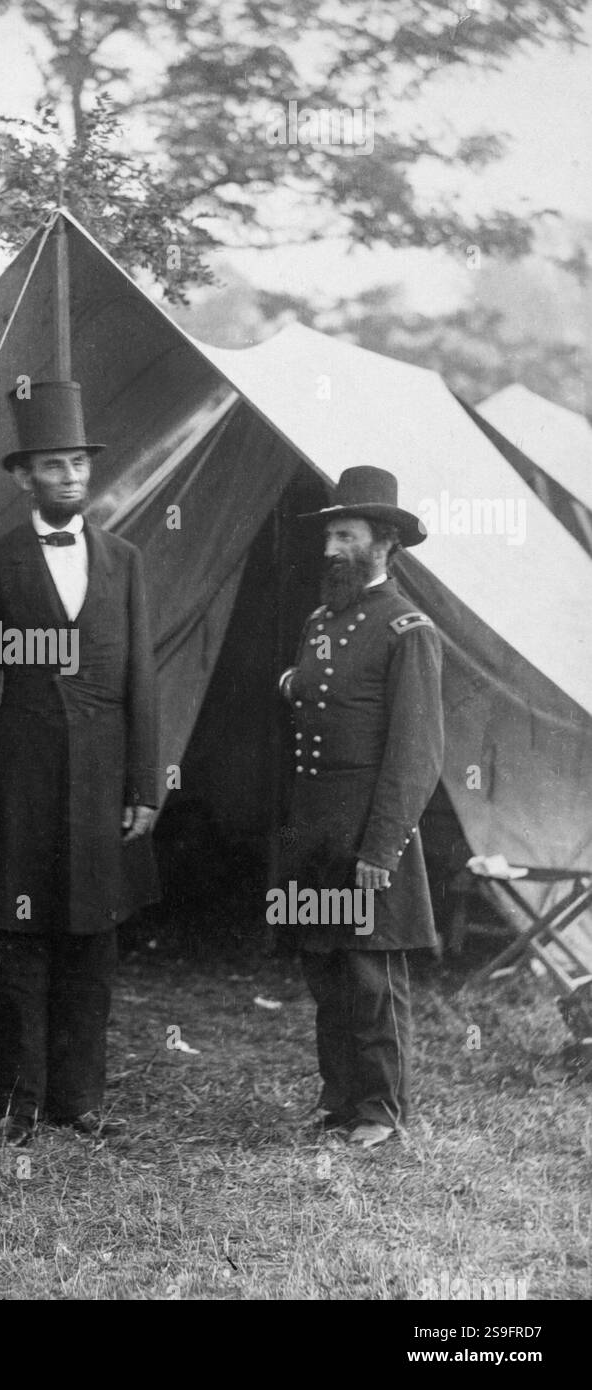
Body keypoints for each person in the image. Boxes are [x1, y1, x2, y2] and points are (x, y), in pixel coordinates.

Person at [0, 380, 159, 1147]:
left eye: (79, 463)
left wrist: (145, 784)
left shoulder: (127, 560)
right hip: (24, 777)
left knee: (93, 945)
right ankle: (19, 1102)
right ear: (23, 477)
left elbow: (144, 677)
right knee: (25, 944)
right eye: (54, 465)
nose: (71, 476)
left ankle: (81, 1099)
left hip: (106, 781)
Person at [278, 466, 444, 1150]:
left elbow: (417, 753)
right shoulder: (321, 621)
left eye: (345, 535)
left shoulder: (409, 630)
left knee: (371, 971)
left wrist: (381, 848)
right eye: (329, 535)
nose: (330, 549)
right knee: (324, 965)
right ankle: (340, 1097)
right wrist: (291, 681)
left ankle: (381, 1109)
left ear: (385, 544)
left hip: (367, 831)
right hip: (315, 829)